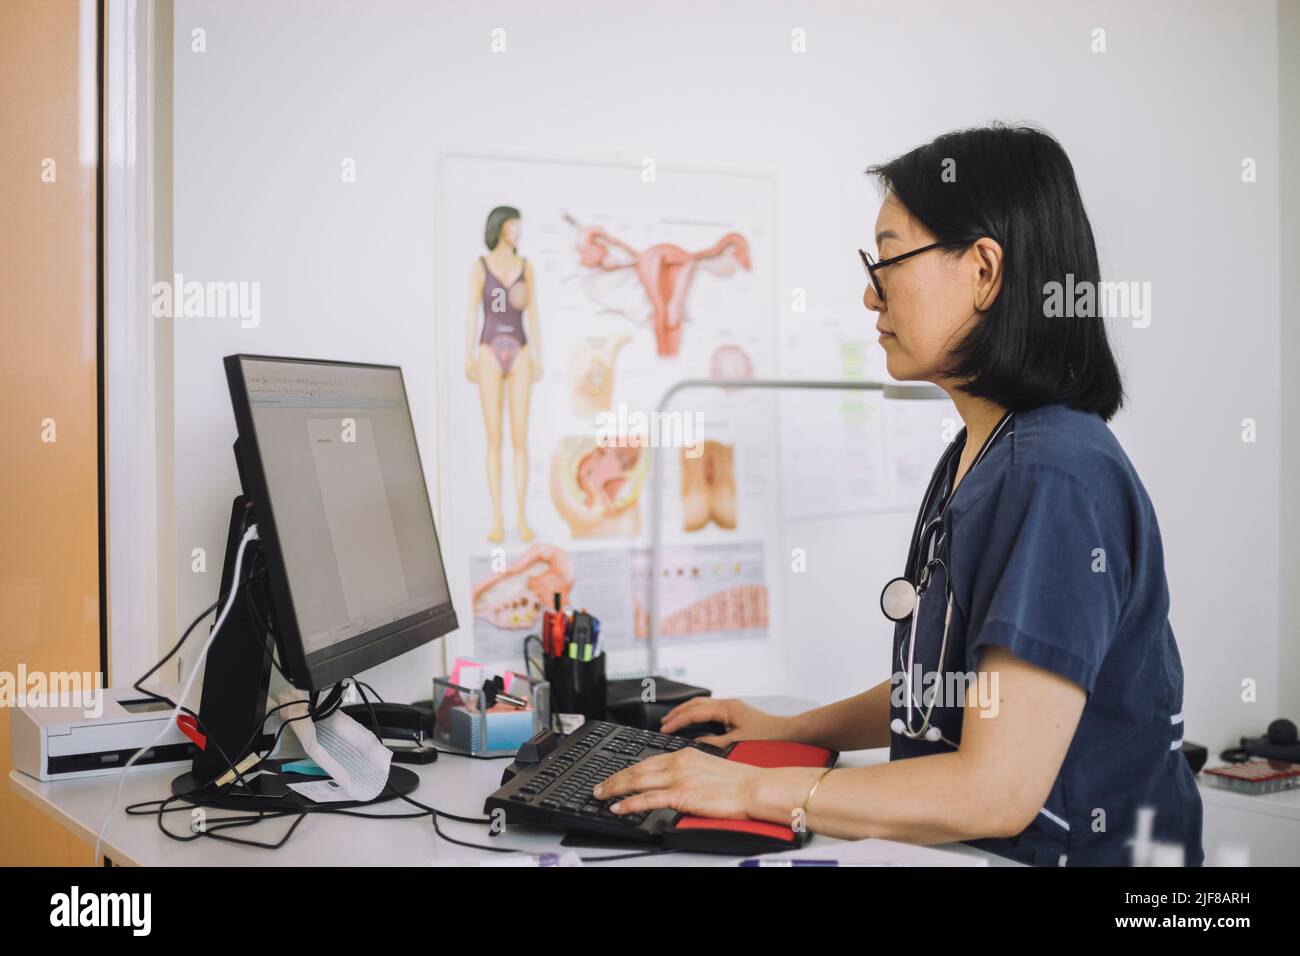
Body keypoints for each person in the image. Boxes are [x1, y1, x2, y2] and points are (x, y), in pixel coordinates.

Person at [593, 124, 1204, 866]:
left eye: (888, 259)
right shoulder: (979, 456)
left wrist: (750, 789)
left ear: (984, 271)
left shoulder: (1056, 476)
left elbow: (996, 789)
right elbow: (950, 685)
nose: (868, 290)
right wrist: (792, 732)